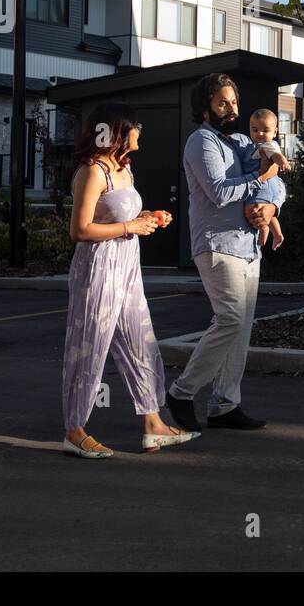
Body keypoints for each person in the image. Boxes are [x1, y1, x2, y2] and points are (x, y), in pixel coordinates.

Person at [61, 102, 196, 458]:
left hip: (127, 269)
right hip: (98, 270)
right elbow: (79, 230)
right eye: (134, 127)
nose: (139, 133)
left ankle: (153, 425)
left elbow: (124, 214)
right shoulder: (91, 172)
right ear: (116, 131)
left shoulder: (124, 169)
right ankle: (74, 429)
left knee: (141, 342)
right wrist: (130, 227)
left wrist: (149, 216)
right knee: (89, 347)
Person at [166, 73, 284, 433]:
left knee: (242, 328)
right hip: (218, 246)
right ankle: (181, 392)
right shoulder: (200, 142)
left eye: (234, 102)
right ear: (205, 108)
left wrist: (272, 208)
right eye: (223, 103)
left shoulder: (241, 141)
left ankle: (225, 404)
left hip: (249, 245)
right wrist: (260, 180)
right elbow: (218, 191)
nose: (232, 109)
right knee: (230, 318)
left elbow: (277, 179)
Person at [242, 108, 290, 250]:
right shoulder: (255, 146)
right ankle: (278, 234)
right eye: (255, 130)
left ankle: (263, 229)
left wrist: (282, 162)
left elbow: (275, 154)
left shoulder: (267, 145)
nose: (260, 134)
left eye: (265, 130)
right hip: (268, 185)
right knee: (267, 211)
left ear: (275, 131)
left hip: (263, 186)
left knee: (251, 210)